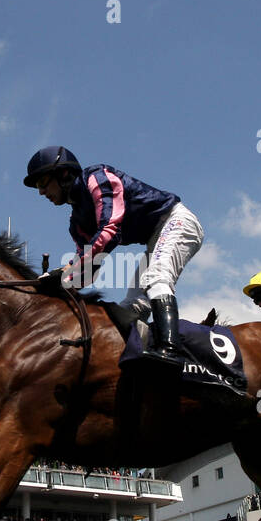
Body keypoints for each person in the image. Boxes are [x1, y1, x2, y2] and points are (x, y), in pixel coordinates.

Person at [23, 145, 204, 367]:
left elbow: (110, 231)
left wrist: (64, 275)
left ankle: (170, 351)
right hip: (154, 239)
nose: (41, 192)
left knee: (157, 279)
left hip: (177, 221)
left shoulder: (98, 178)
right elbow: (87, 273)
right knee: (133, 305)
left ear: (63, 174)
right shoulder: (77, 223)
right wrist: (58, 283)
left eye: (42, 182)